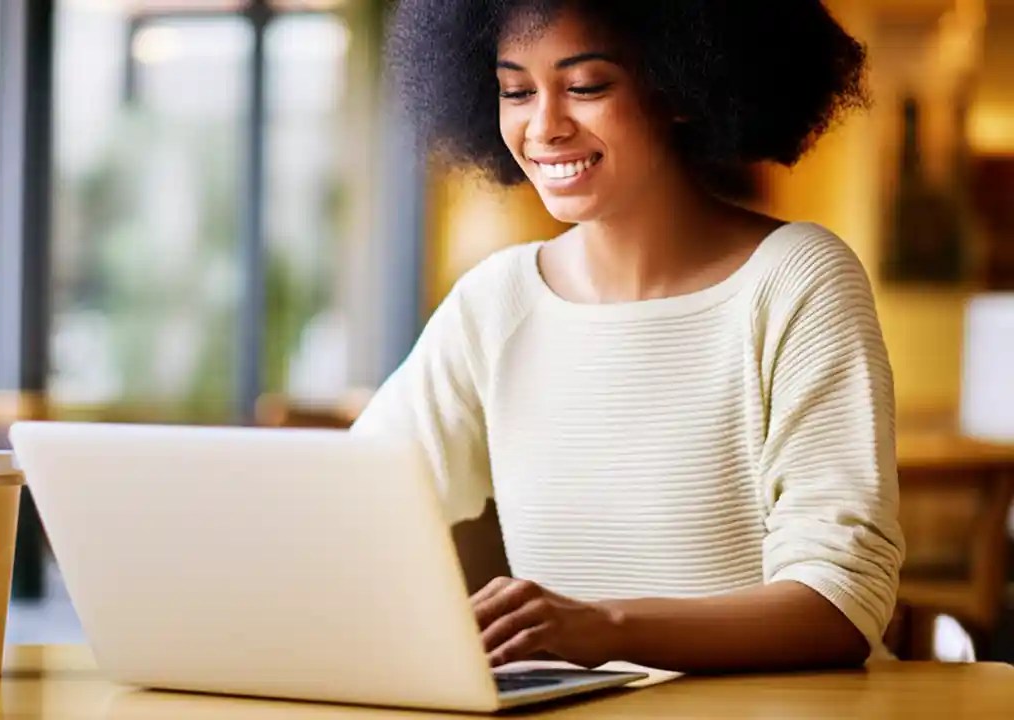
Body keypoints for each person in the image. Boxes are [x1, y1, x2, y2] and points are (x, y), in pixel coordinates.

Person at [352, 0, 904, 673]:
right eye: (516, 92)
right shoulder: (494, 305)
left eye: (586, 86)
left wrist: (606, 630)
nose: (544, 126)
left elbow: (842, 603)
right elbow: (350, 508)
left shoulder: (796, 281)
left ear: (677, 84)